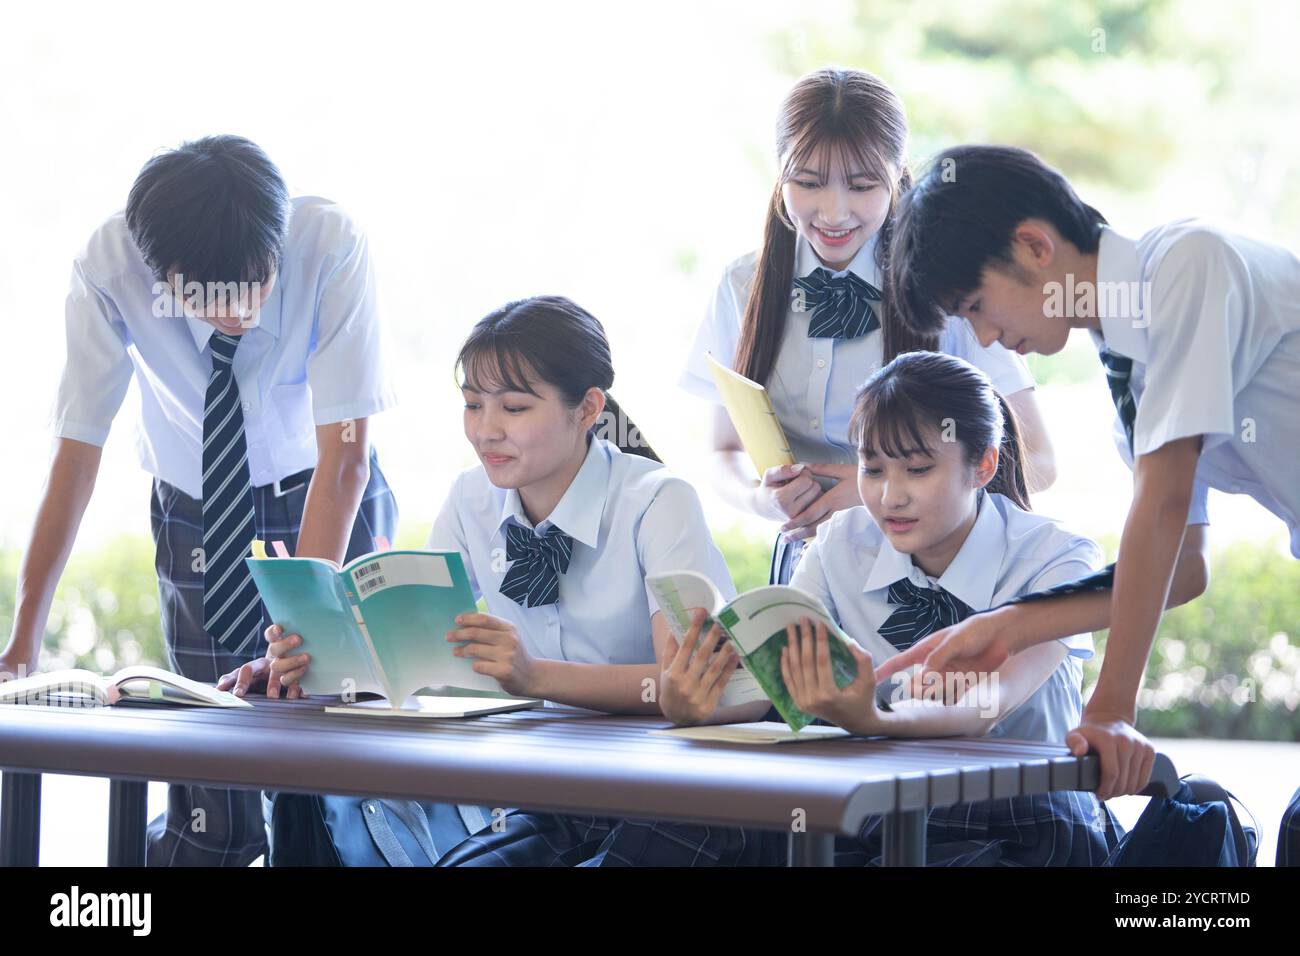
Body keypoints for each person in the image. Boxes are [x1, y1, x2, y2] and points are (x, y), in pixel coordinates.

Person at [244, 296, 782, 866]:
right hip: (547, 786)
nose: (486, 431)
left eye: (515, 408)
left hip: (674, 790)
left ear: (588, 408)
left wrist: (534, 676)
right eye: (473, 405)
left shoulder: (658, 502)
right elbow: (414, 655)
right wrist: (317, 661)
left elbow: (685, 688)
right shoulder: (471, 499)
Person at [2, 135, 398, 865]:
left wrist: (301, 626)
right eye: (212, 295)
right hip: (198, 506)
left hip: (324, 497)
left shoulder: (329, 243)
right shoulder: (108, 266)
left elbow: (345, 456)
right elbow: (77, 450)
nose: (242, 311)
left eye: (258, 284)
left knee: (331, 751)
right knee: (213, 773)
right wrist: (23, 640)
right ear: (160, 275)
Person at [878, 144, 1300, 800]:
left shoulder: (1189, 268)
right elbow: (1184, 565)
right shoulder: (1133, 374)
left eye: (976, 306)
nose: (984, 338)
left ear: (1034, 247)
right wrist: (1010, 625)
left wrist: (1107, 710)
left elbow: (1163, 508)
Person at [678, 68, 1054, 585]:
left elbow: (1037, 458)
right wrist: (761, 499)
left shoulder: (946, 287)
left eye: (862, 185)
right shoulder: (744, 285)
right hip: (807, 571)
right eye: (808, 183)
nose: (834, 213)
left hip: (935, 570)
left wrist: (872, 487)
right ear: (780, 174)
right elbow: (725, 449)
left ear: (898, 175)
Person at [783, 351, 1122, 865]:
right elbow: (782, 665)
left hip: (1023, 814)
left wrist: (873, 717)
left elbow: (992, 701)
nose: (889, 497)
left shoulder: (1057, 558)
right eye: (872, 470)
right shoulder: (837, 545)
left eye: (918, 469)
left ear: (983, 464)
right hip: (873, 799)